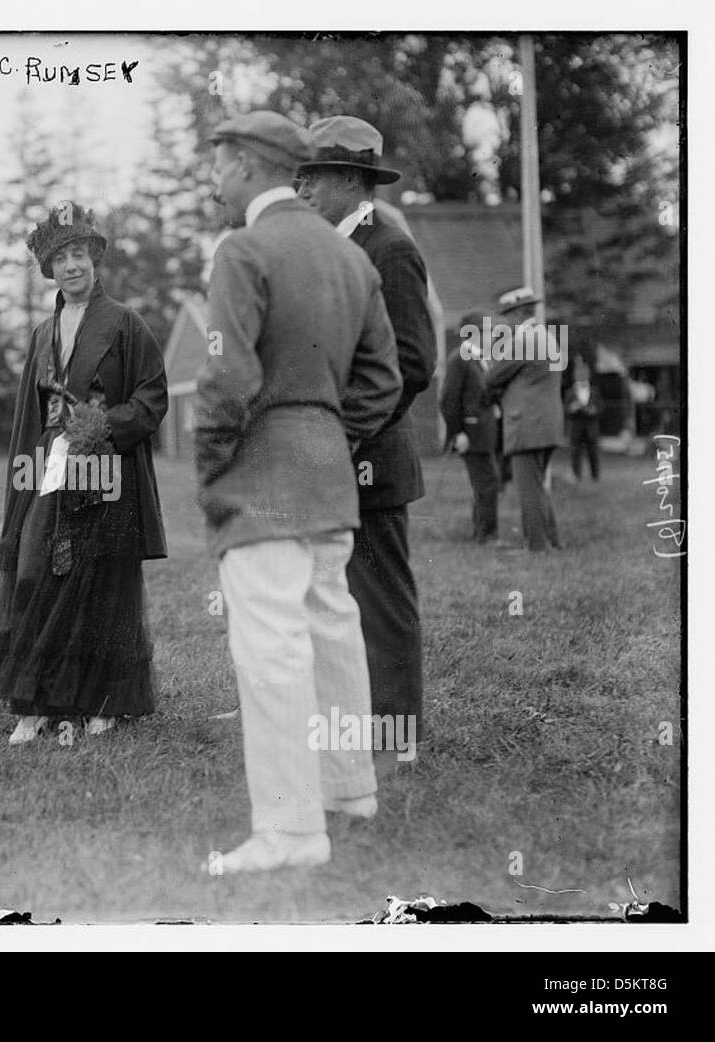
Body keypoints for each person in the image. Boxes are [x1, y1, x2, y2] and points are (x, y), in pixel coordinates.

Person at [196, 111, 402, 872]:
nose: (214, 178)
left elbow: (225, 378)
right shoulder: (351, 258)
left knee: (271, 647)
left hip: (262, 470)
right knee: (330, 629)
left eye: (220, 163)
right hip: (328, 469)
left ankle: (289, 831)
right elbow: (385, 378)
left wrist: (215, 461)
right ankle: (350, 791)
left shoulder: (243, 250)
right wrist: (328, 434)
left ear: (251, 165)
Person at [0, 202, 168, 744]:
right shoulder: (42, 331)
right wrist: (28, 474)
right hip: (51, 469)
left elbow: (153, 397)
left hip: (108, 468)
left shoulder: (126, 324)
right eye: (60, 259)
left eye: (79, 254)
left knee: (103, 578)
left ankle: (102, 699)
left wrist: (105, 424)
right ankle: (36, 702)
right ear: (48, 269)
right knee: (38, 569)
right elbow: (28, 416)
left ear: (95, 259)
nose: (71, 267)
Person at [295, 115, 435, 748]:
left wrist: (344, 434)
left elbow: (412, 365)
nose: (300, 192)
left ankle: (397, 729)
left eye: (313, 179)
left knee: (380, 597)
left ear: (351, 180)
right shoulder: (321, 249)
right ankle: (351, 718)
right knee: (331, 595)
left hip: (370, 455)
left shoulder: (390, 250)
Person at [487, 286, 564, 551]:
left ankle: (538, 547)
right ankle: (550, 541)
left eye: (507, 315)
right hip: (546, 424)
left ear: (519, 313)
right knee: (538, 487)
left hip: (526, 425)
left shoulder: (523, 341)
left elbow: (492, 376)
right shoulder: (545, 336)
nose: (505, 321)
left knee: (529, 491)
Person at [440, 311, 500, 542]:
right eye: (487, 331)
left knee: (487, 482)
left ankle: (483, 532)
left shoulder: (478, 358)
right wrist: (458, 433)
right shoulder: (460, 358)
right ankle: (487, 535)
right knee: (487, 482)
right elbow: (448, 401)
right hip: (471, 433)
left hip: (484, 432)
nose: (492, 335)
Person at [564, 356, 603, 482]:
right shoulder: (570, 392)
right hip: (576, 426)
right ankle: (576, 474)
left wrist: (594, 410)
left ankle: (595, 475)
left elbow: (600, 406)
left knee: (593, 452)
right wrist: (572, 408)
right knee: (575, 452)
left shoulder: (595, 391)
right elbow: (565, 409)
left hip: (591, 426)